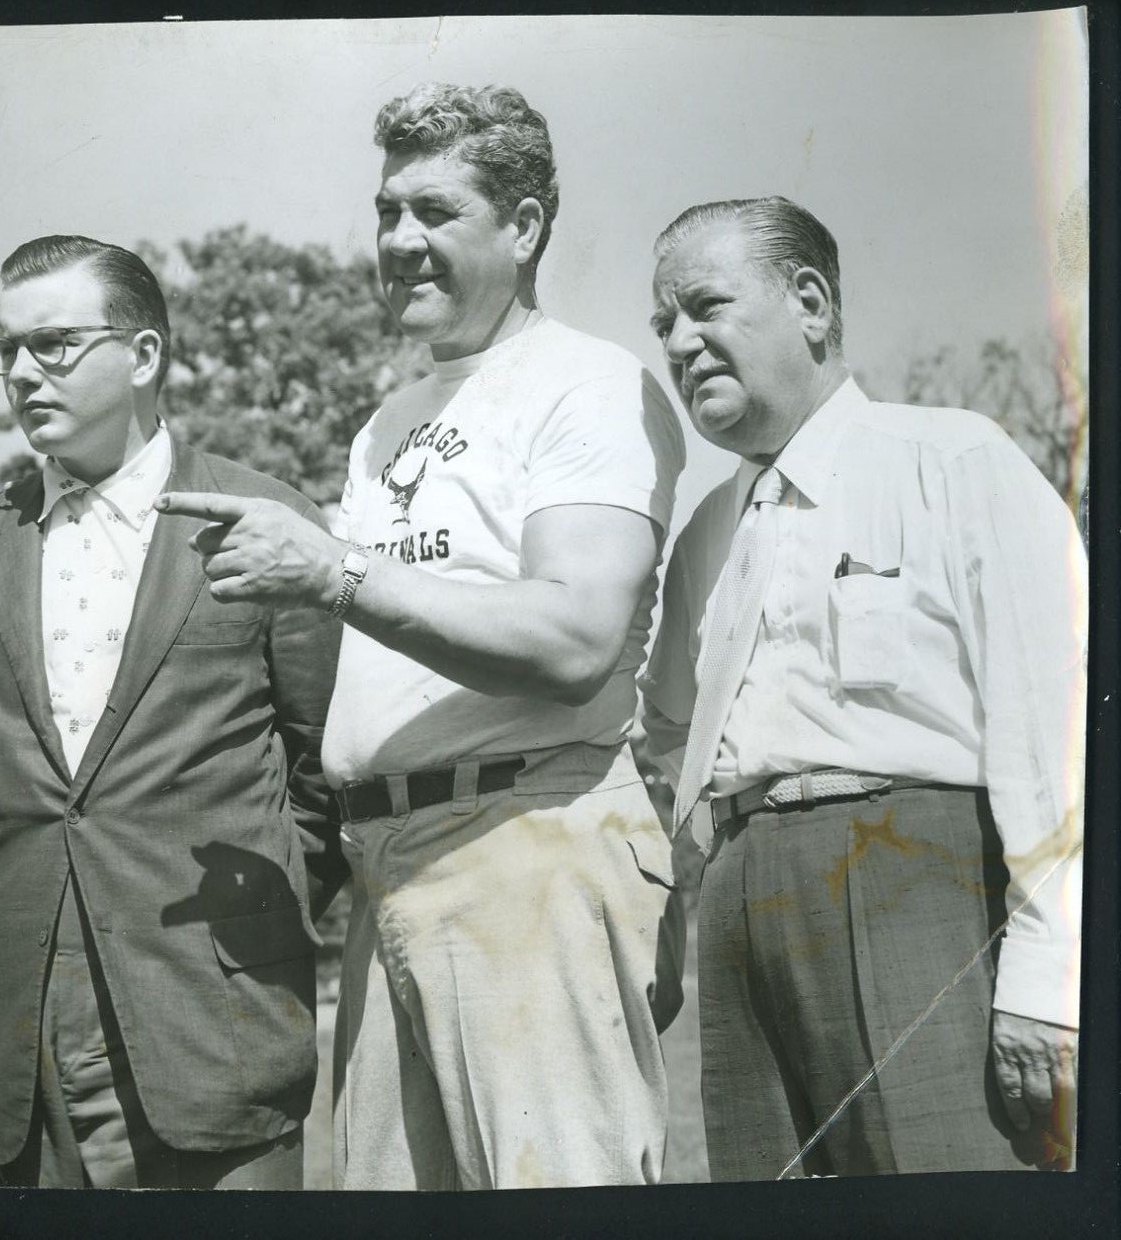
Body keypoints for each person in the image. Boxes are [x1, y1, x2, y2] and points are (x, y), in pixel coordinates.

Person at [157, 83, 686, 1189]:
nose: (399, 241)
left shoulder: (587, 386)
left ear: (526, 225)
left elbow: (576, 637)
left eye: (435, 212)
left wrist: (332, 568)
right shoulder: (388, 422)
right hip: (386, 867)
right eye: (387, 210)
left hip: (524, 838)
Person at [641, 196, 1086, 1178]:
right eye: (662, 324)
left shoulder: (953, 460)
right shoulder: (703, 533)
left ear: (808, 301)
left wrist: (1049, 976)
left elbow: (1054, 736)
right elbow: (660, 738)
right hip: (737, 906)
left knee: (941, 1189)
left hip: (911, 881)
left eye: (705, 306)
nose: (680, 341)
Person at [0, 234, 344, 1189]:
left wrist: (248, 926)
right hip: (14, 1034)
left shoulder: (264, 518)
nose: (25, 374)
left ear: (146, 356)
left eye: (55, 345)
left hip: (214, 1021)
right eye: (7, 352)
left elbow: (325, 768)